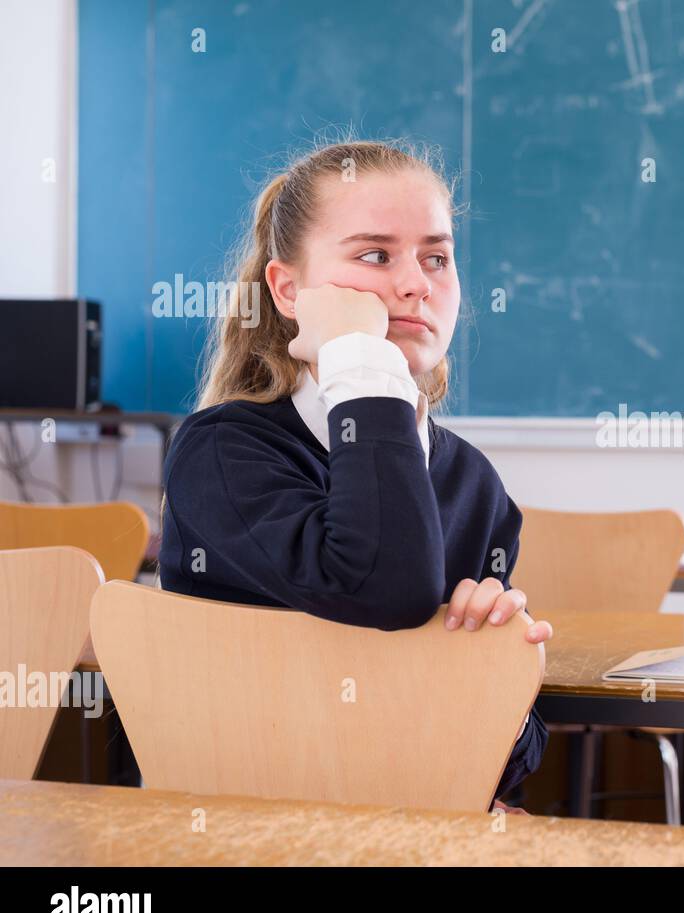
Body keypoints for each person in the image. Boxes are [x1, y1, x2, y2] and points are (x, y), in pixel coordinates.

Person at [158, 140, 547, 809]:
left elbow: (515, 761)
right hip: (251, 831)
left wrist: (497, 673)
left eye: (437, 257)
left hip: (419, 819)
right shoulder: (221, 452)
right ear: (289, 291)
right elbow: (382, 589)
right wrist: (361, 360)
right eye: (375, 255)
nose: (415, 284)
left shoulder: (475, 485)